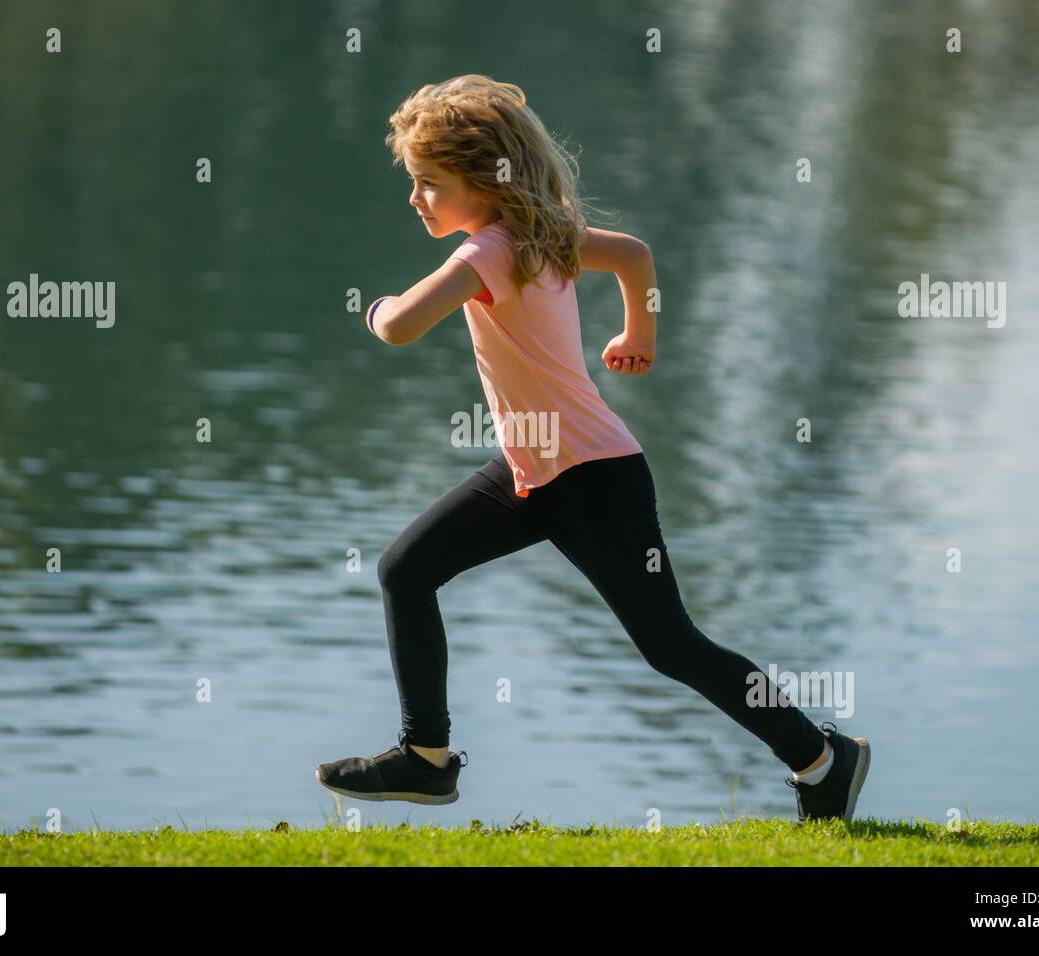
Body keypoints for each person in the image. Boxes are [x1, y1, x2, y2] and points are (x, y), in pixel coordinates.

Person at [314, 74, 870, 822]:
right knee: (405, 570)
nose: (415, 198)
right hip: (533, 470)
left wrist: (375, 307)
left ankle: (824, 761)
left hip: (592, 476)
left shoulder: (487, 250)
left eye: (429, 182)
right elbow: (635, 255)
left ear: (484, 180)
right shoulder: (543, 234)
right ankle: (427, 757)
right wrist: (639, 335)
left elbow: (400, 326)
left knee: (672, 646)